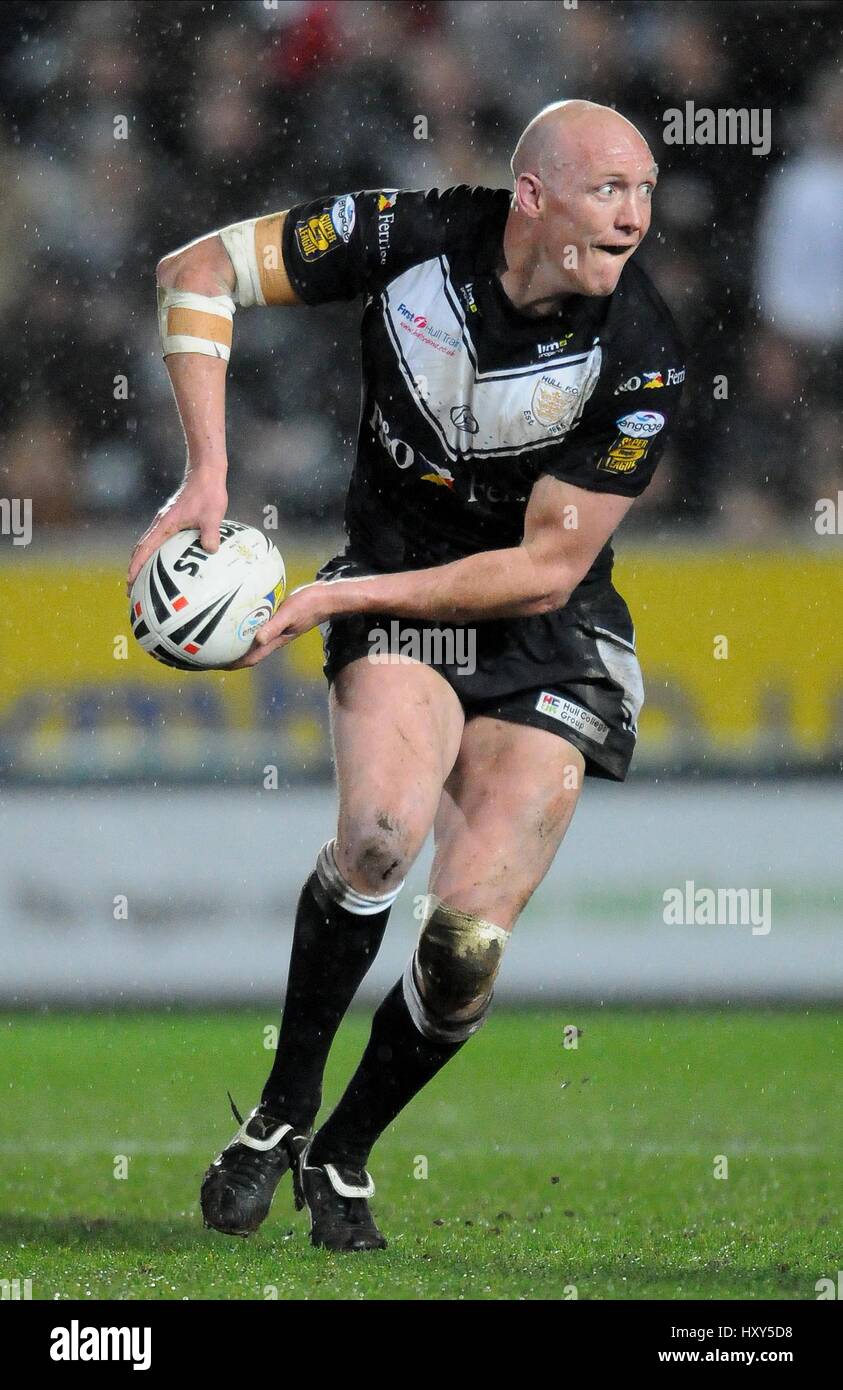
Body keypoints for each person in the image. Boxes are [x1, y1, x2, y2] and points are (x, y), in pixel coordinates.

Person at [128, 99, 685, 1252]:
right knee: (379, 836)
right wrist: (207, 472)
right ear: (532, 195)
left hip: (546, 628)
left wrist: (342, 596)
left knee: (466, 945)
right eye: (609, 190)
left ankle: (348, 1147)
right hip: (400, 593)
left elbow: (543, 569)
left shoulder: (645, 348)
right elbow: (197, 271)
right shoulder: (412, 235)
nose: (635, 218)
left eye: (645, 192)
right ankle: (283, 1109)